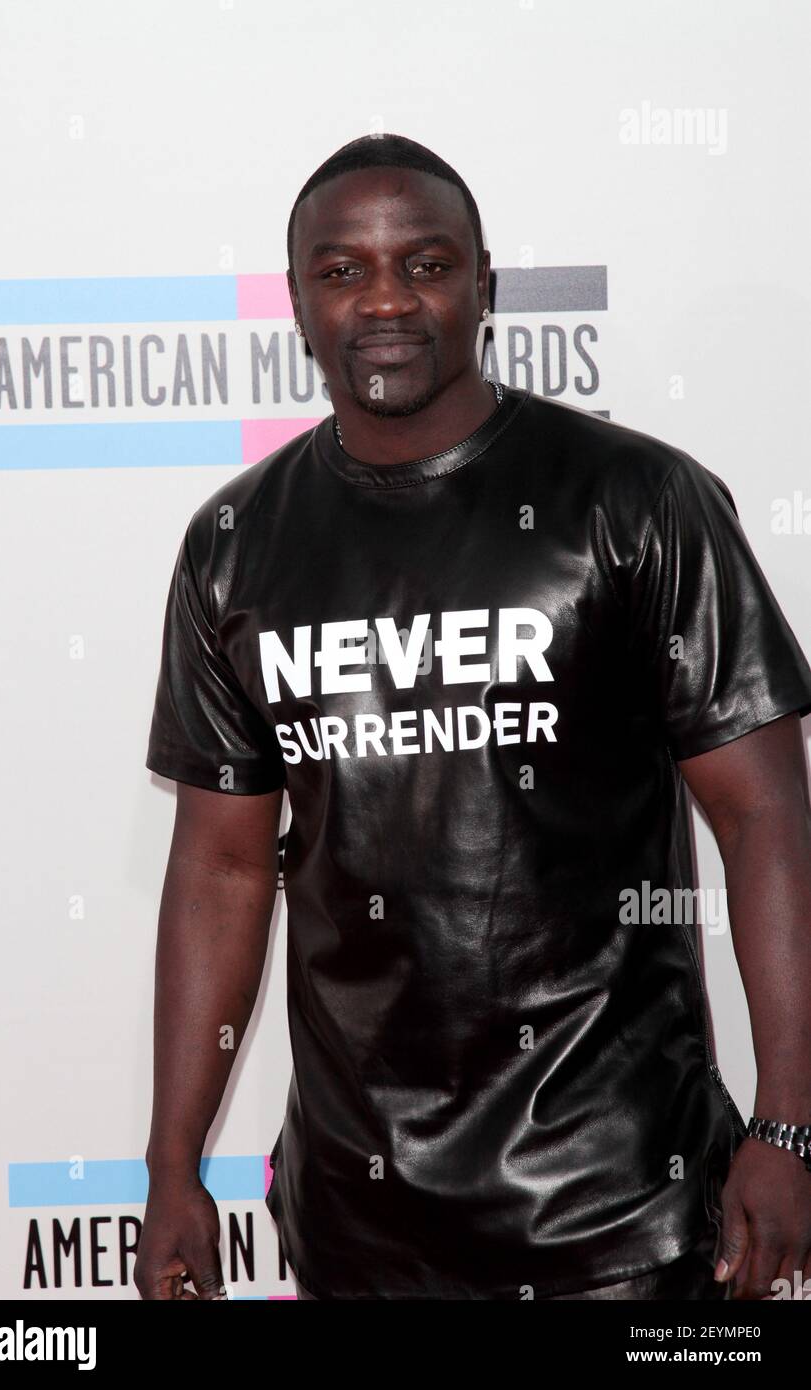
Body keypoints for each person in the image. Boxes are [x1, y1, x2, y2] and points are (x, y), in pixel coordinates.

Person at [134, 134, 811, 1302]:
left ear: (484, 288)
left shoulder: (638, 502)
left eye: (426, 264)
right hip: (358, 1219)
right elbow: (221, 874)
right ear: (295, 301)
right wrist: (169, 1164)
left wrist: (789, 1127)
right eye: (341, 271)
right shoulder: (235, 546)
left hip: (621, 1210)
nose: (384, 299)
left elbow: (764, 825)